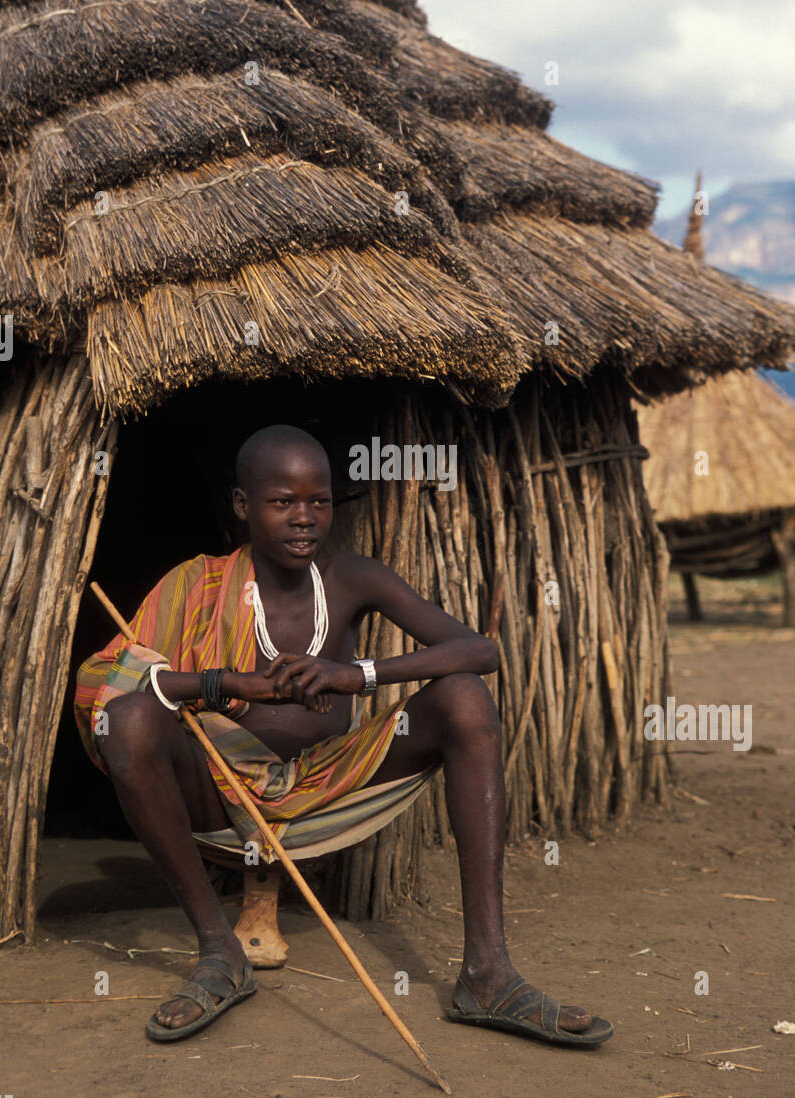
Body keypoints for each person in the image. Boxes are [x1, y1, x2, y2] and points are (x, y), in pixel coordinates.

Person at [75, 424, 613, 1048]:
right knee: (129, 719)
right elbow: (107, 680)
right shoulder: (199, 584)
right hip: (220, 791)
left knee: (465, 696)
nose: (304, 518)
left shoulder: (353, 578)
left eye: (319, 501)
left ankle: (488, 974)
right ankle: (220, 954)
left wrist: (354, 674)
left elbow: (478, 649)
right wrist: (231, 685)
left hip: (337, 781)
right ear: (244, 506)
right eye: (282, 502)